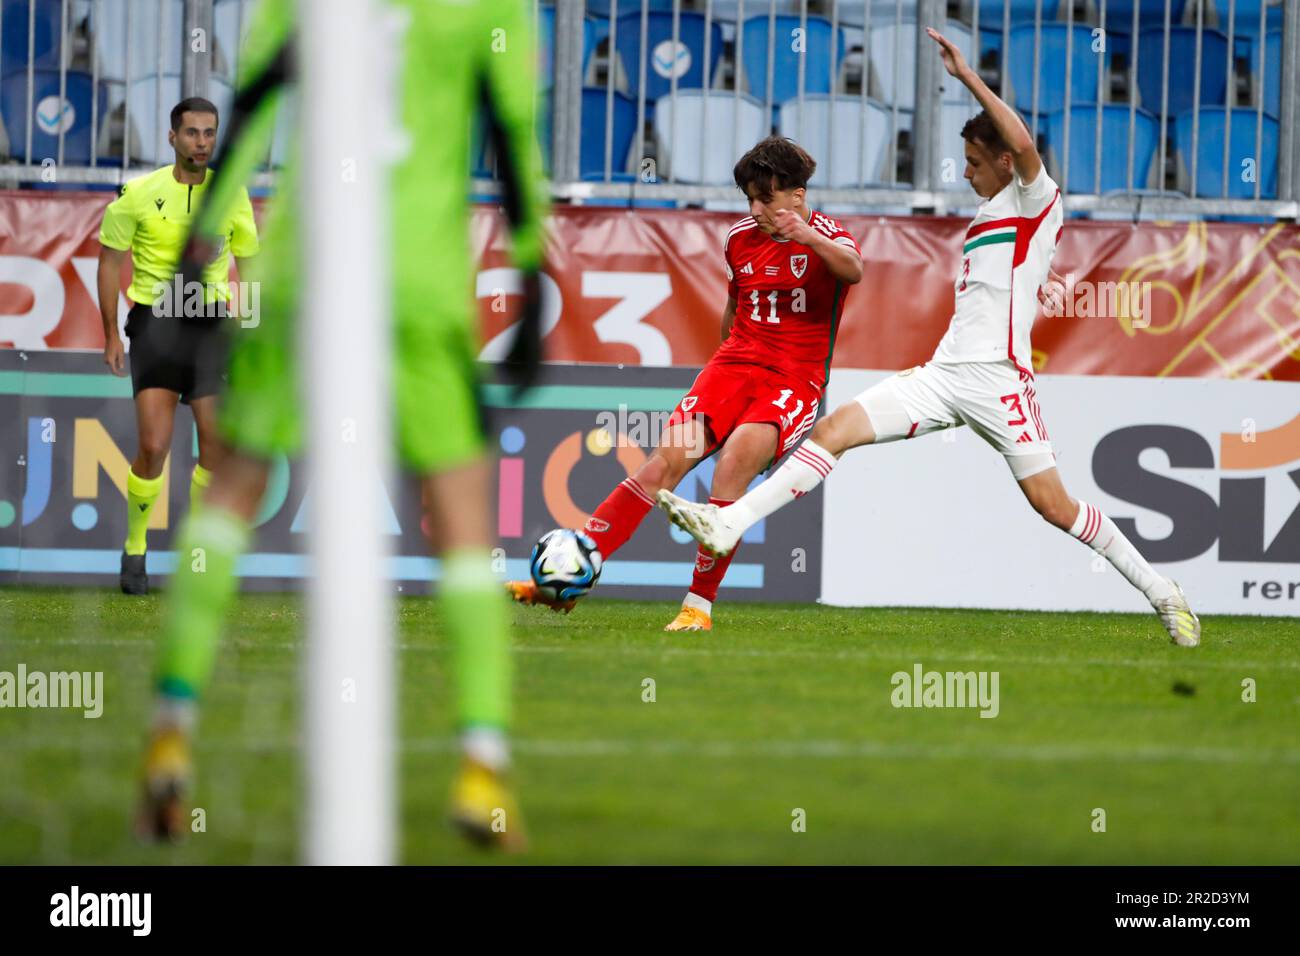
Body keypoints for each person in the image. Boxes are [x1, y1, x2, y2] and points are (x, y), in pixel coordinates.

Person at [136, 0, 548, 851]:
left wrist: (198, 246)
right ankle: (481, 764)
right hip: (420, 283)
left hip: (304, 271)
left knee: (233, 489)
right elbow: (513, 137)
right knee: (465, 522)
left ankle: (172, 723)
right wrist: (534, 276)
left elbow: (249, 108)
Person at [657, 28, 1201, 648]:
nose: (965, 173)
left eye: (973, 162)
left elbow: (1021, 141)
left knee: (1054, 506)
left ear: (1003, 162)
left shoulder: (1035, 197)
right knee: (834, 431)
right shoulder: (991, 216)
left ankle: (1163, 591)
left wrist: (967, 76)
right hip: (945, 375)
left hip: (1000, 381)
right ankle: (732, 524)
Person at [507, 136, 863, 632]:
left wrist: (807, 238)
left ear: (796, 196)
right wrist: (723, 370)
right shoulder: (739, 238)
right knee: (663, 464)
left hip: (792, 379)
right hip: (733, 367)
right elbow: (736, 303)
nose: (755, 208)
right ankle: (575, 572)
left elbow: (855, 270)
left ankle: (698, 607)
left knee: (735, 461)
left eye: (765, 197)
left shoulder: (828, 236)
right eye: (750, 199)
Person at [98, 97, 259, 595]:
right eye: (192, 133)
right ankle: (136, 545)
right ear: (172, 138)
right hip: (155, 321)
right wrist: (110, 333)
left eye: (209, 133)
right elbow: (109, 264)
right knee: (154, 445)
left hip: (210, 323)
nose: (202, 142)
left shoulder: (232, 194)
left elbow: (249, 268)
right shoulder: (138, 194)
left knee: (214, 448)